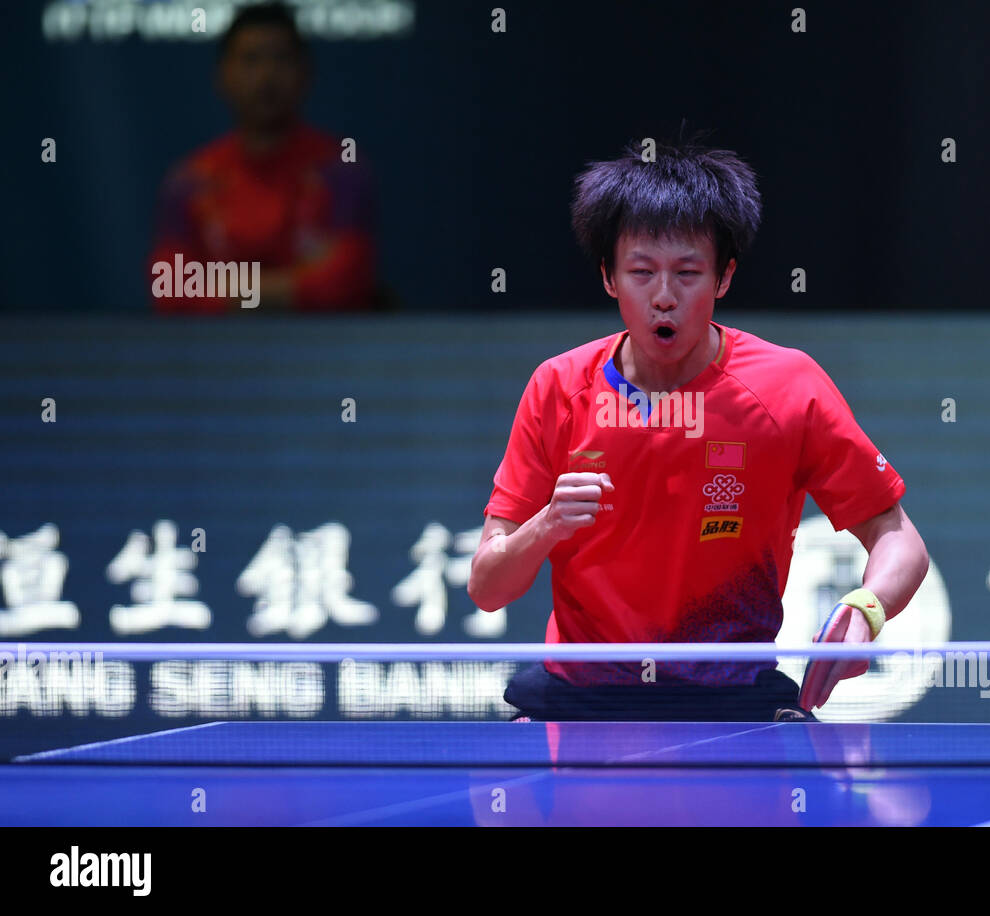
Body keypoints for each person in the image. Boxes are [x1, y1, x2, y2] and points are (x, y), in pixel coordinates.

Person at [467, 138, 929, 721]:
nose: (664, 296)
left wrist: (867, 609)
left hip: (731, 701)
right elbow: (488, 589)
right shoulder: (559, 388)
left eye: (688, 272)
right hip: (580, 702)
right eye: (641, 272)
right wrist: (546, 526)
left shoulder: (788, 388)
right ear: (609, 277)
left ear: (724, 277)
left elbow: (897, 535)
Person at [150, 2, 377, 313]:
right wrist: (293, 284)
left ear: (305, 72)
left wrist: (223, 289)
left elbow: (345, 281)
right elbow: (170, 289)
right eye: (250, 60)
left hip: (322, 353)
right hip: (216, 355)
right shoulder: (191, 179)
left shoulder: (341, 168)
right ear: (222, 75)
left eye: (281, 59)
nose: (266, 76)